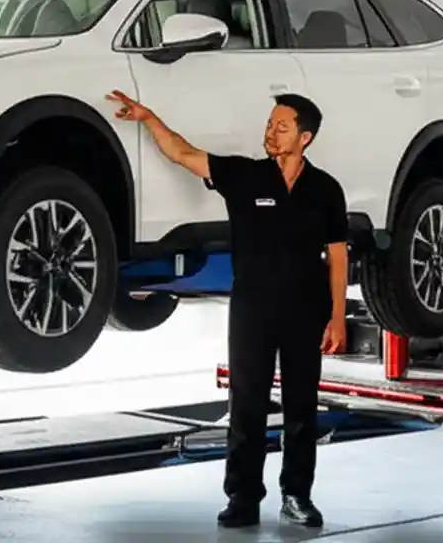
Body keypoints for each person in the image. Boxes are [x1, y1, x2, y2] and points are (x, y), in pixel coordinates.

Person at [106, 89, 348, 530]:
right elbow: (182, 153)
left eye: (282, 127)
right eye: (269, 124)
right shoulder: (244, 176)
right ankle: (242, 498)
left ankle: (297, 496)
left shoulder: (325, 189)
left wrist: (336, 316)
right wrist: (148, 116)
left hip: (305, 311)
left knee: (301, 408)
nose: (270, 133)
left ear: (305, 137)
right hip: (253, 309)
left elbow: (338, 257)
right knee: (247, 404)